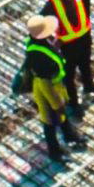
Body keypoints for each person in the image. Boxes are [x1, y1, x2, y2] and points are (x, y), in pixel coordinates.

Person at [24, 15, 85, 162]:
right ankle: (54, 151)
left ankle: (69, 134)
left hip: (55, 84)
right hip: (46, 87)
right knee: (50, 119)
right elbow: (45, 80)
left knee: (61, 114)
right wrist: (56, 103)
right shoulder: (37, 55)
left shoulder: (41, 42)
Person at [41, 0, 94, 115]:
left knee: (85, 65)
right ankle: (73, 102)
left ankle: (89, 86)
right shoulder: (52, 4)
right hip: (68, 46)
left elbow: (84, 7)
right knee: (69, 76)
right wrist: (52, 39)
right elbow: (42, 24)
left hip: (84, 39)